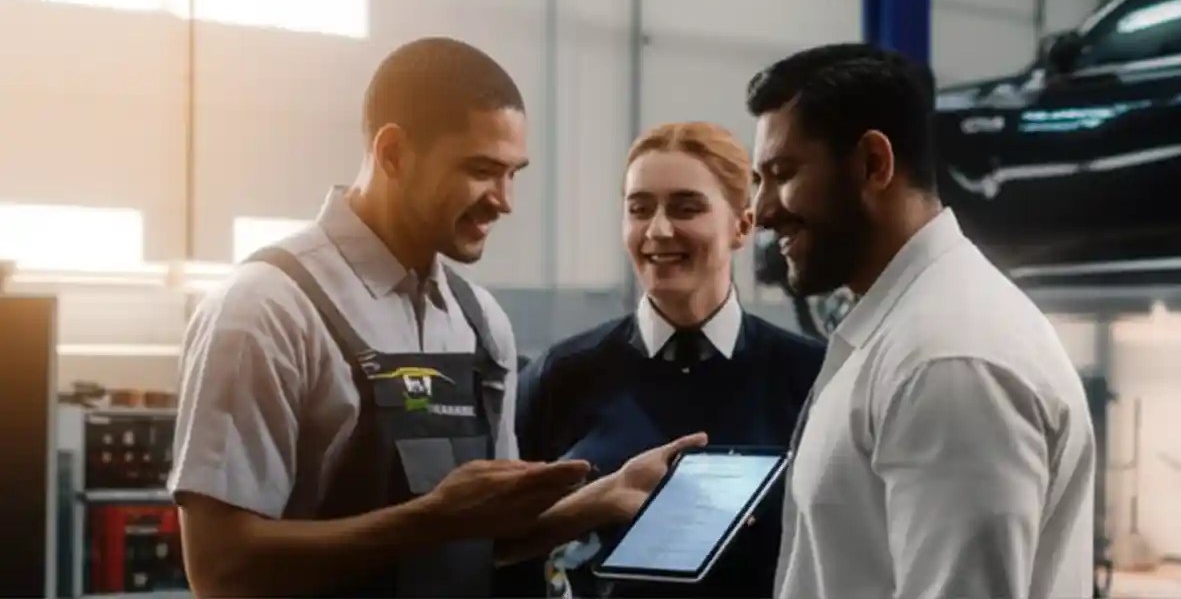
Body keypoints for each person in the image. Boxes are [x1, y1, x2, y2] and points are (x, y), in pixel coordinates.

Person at [167, 37, 705, 598]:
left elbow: (485, 540)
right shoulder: (267, 309)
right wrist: (433, 519)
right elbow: (220, 569)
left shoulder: (478, 321)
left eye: (513, 173)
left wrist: (604, 497)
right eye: (481, 170)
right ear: (394, 153)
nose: (504, 200)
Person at [747, 44, 1096, 599]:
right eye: (757, 180)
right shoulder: (906, 330)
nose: (761, 210)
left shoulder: (947, 360)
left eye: (782, 173)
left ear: (873, 164)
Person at [500, 122, 824, 598]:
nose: (657, 229)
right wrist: (597, 502)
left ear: (743, 225)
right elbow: (491, 549)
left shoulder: (812, 377)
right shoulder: (562, 375)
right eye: (639, 209)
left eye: (686, 207)